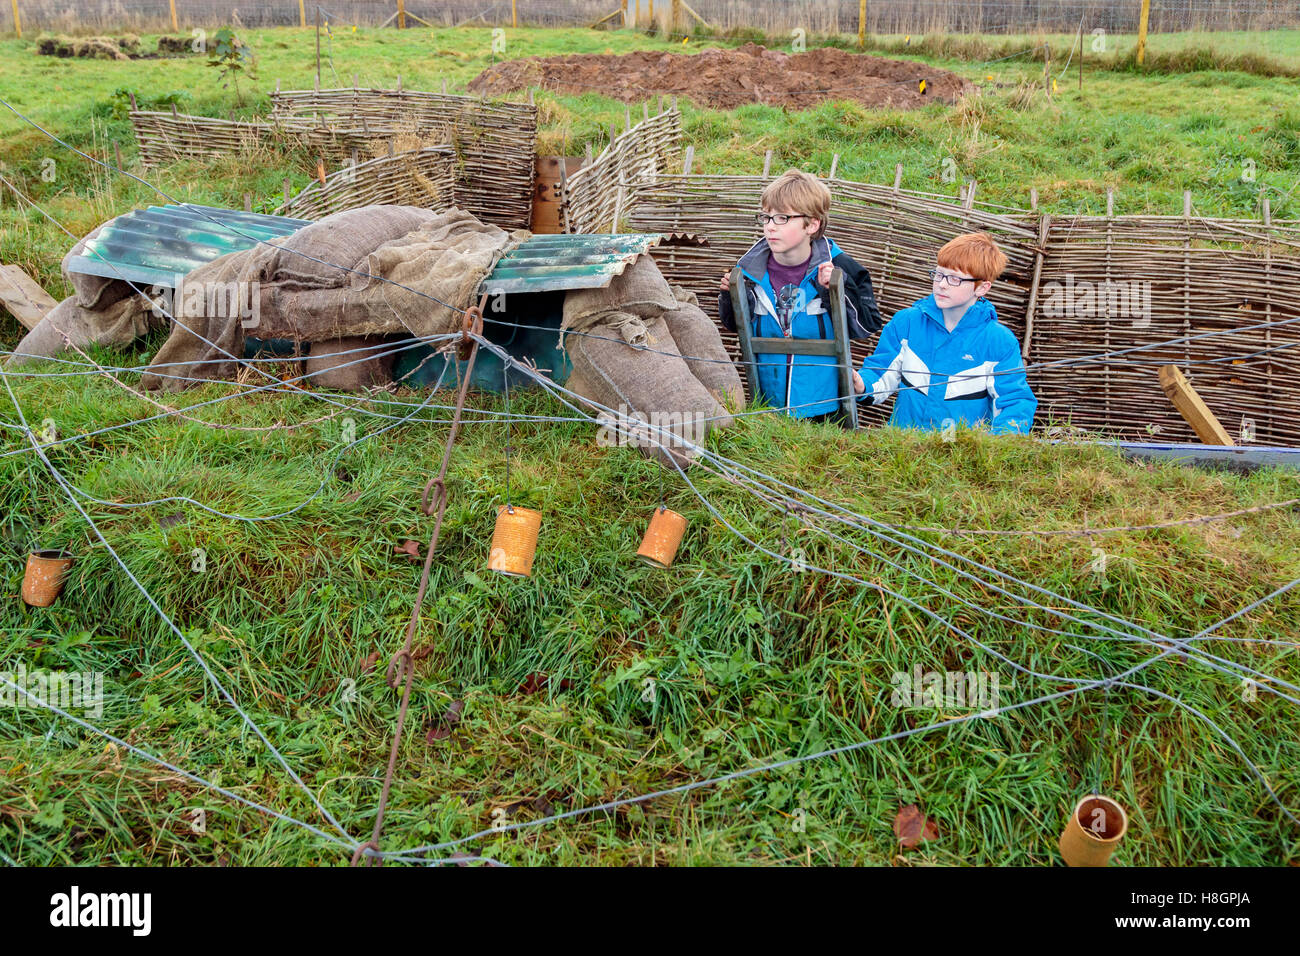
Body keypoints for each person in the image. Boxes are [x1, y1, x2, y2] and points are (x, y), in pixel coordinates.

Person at [717, 169, 881, 425]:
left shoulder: (840, 267)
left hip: (825, 411)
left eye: (783, 217)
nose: (770, 226)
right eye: (766, 217)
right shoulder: (748, 270)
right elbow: (733, 326)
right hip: (765, 409)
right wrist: (730, 296)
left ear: (812, 224)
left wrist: (836, 290)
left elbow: (866, 325)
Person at [852, 232, 1036, 435]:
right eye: (939, 274)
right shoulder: (907, 323)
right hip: (902, 453)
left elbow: (1014, 404)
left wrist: (996, 449)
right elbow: (879, 372)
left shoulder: (999, 341)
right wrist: (861, 384)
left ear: (982, 287)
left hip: (962, 458)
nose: (942, 284)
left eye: (955, 278)